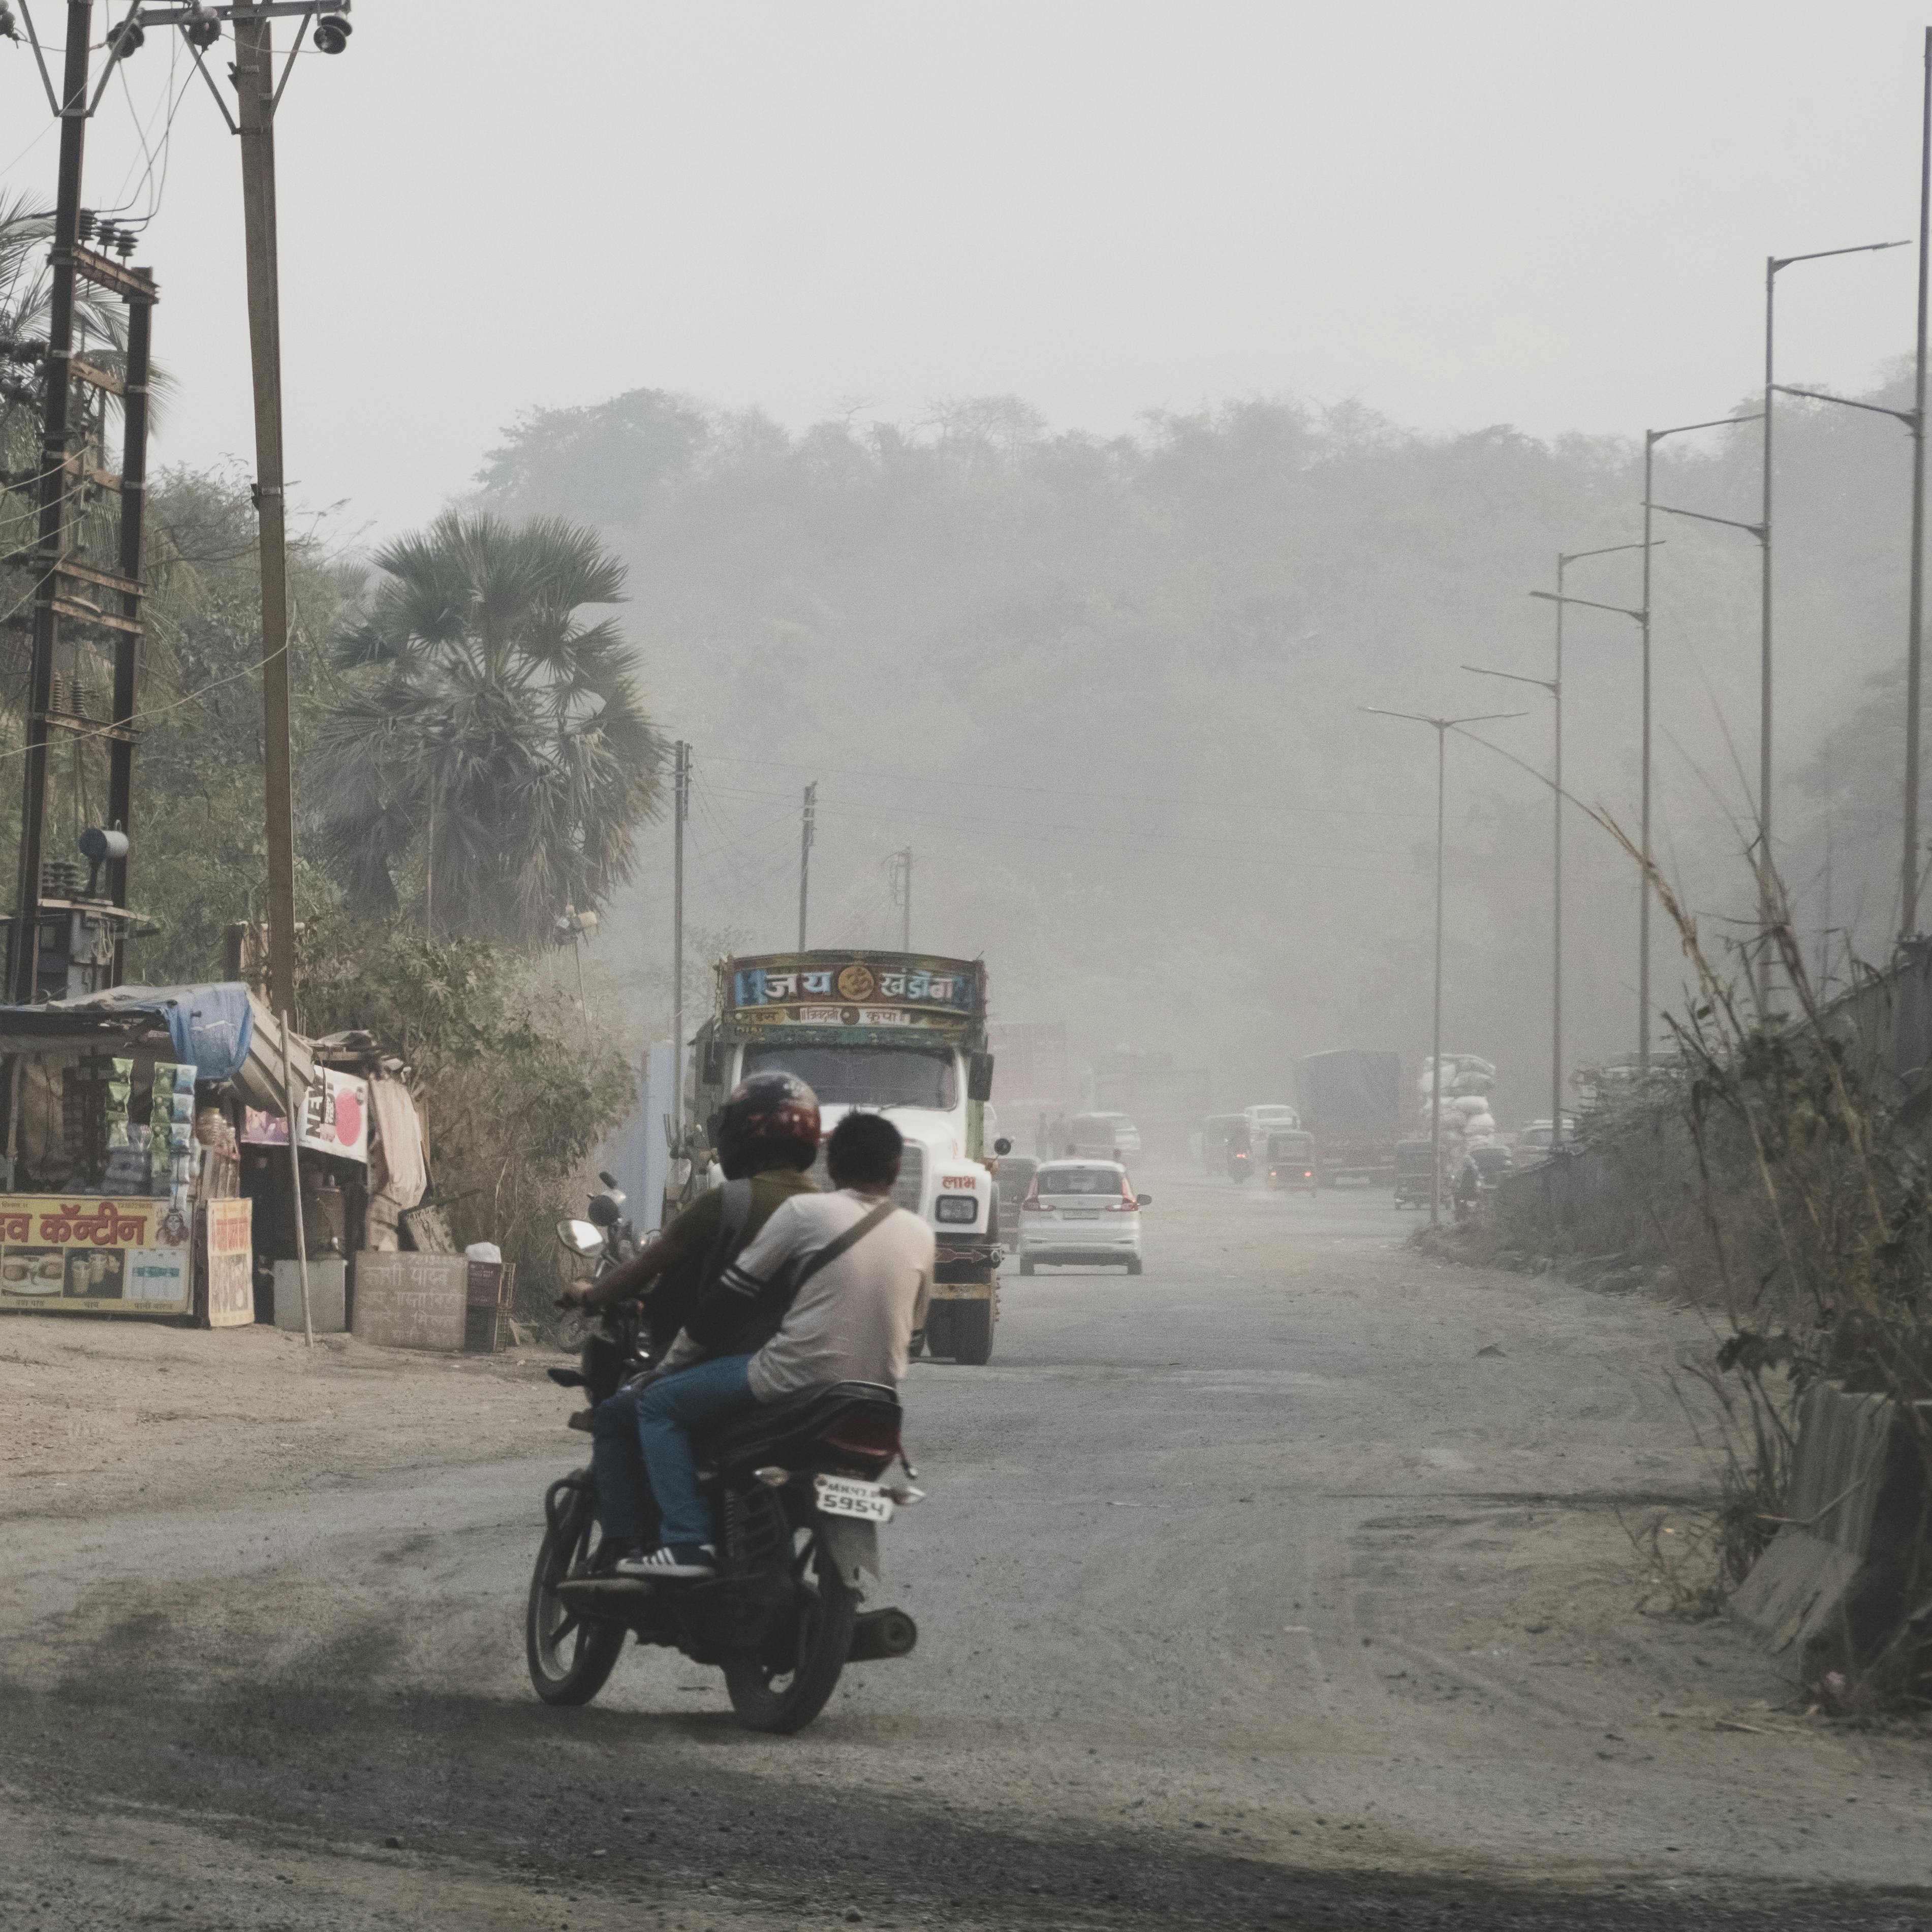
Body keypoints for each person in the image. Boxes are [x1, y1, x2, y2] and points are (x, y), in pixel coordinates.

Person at [620, 1110, 935, 1579]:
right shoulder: (922, 1234)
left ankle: (686, 1543)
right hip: (876, 1398)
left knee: (657, 1406)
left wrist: (669, 1367)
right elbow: (914, 1327)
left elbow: (729, 1296)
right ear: (894, 1173)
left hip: (791, 1381)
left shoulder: (804, 1212)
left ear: (830, 1167)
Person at [563, 1071, 822, 1571]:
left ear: (739, 1134)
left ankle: (638, 1545)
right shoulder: (831, 1208)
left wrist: (591, 1295)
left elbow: (643, 1269)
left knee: (624, 1413)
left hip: (740, 1367)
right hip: (817, 1378)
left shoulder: (727, 1201)